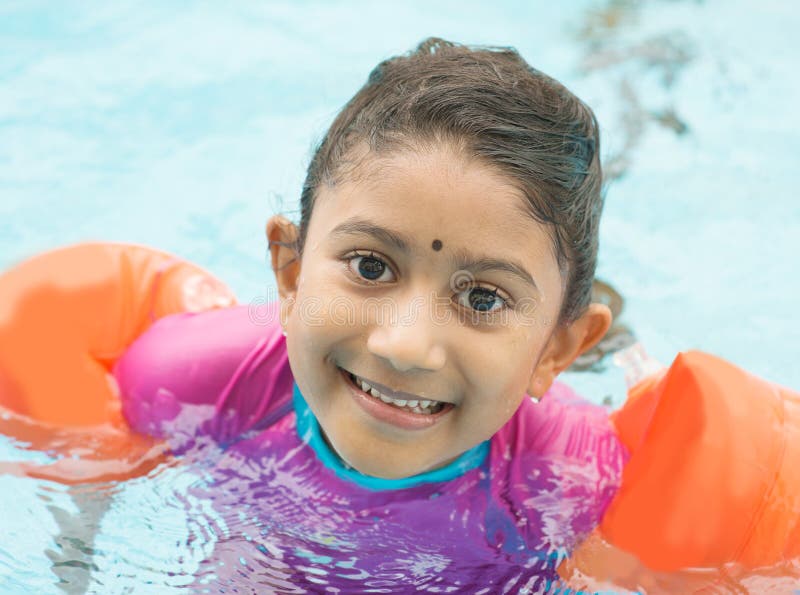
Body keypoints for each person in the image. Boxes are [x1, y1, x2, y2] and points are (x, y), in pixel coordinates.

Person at [2, 38, 798, 592]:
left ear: (557, 348)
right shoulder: (202, 383)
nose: (406, 345)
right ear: (289, 270)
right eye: (371, 266)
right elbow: (78, 544)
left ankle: (640, 76)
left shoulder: (572, 484)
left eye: (482, 297)